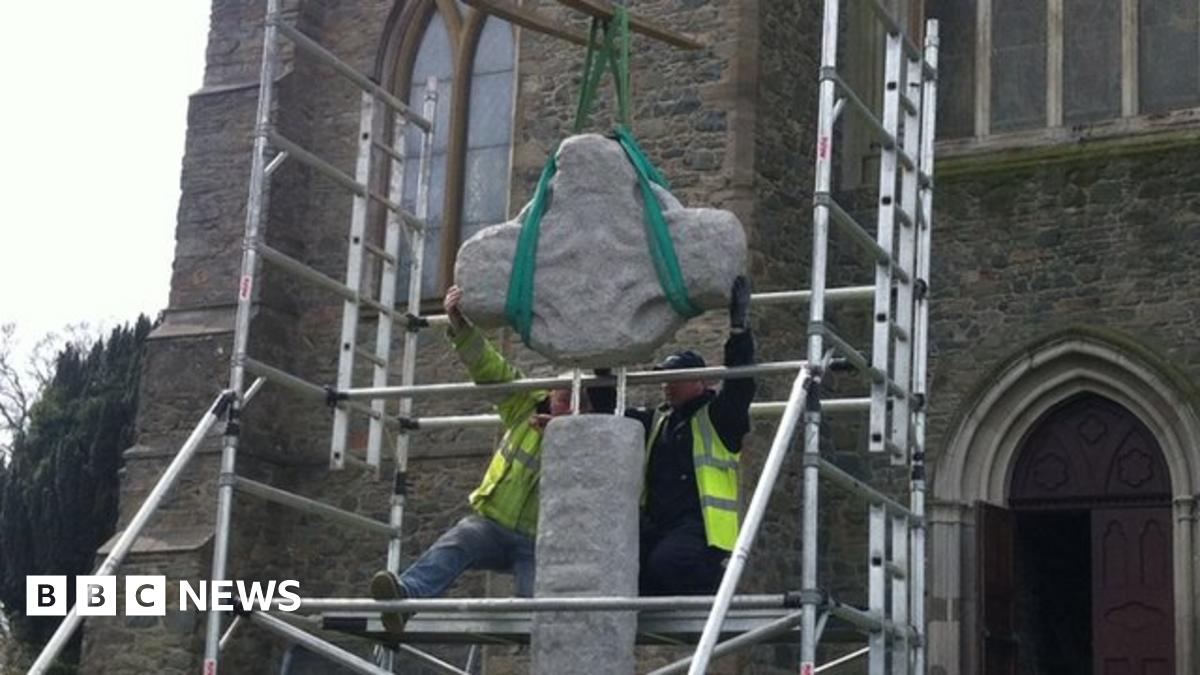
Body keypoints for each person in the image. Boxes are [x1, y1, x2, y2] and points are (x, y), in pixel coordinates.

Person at [370, 285, 603, 633]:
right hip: (492, 526)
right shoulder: (525, 406)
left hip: (541, 543)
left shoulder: (594, 437)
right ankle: (407, 598)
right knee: (462, 537)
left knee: (537, 621)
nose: (561, 401)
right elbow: (490, 369)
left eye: (572, 398)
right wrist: (461, 326)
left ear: (585, 406)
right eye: (560, 393)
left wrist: (567, 437)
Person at [629, 276, 756, 596]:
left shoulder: (717, 417)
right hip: (661, 524)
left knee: (669, 563)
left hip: (701, 528)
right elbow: (610, 414)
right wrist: (601, 365)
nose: (666, 384)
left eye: (676, 377)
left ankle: (720, 589)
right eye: (665, 378)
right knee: (627, 570)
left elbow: (741, 385)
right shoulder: (657, 419)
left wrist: (739, 333)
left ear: (699, 382)